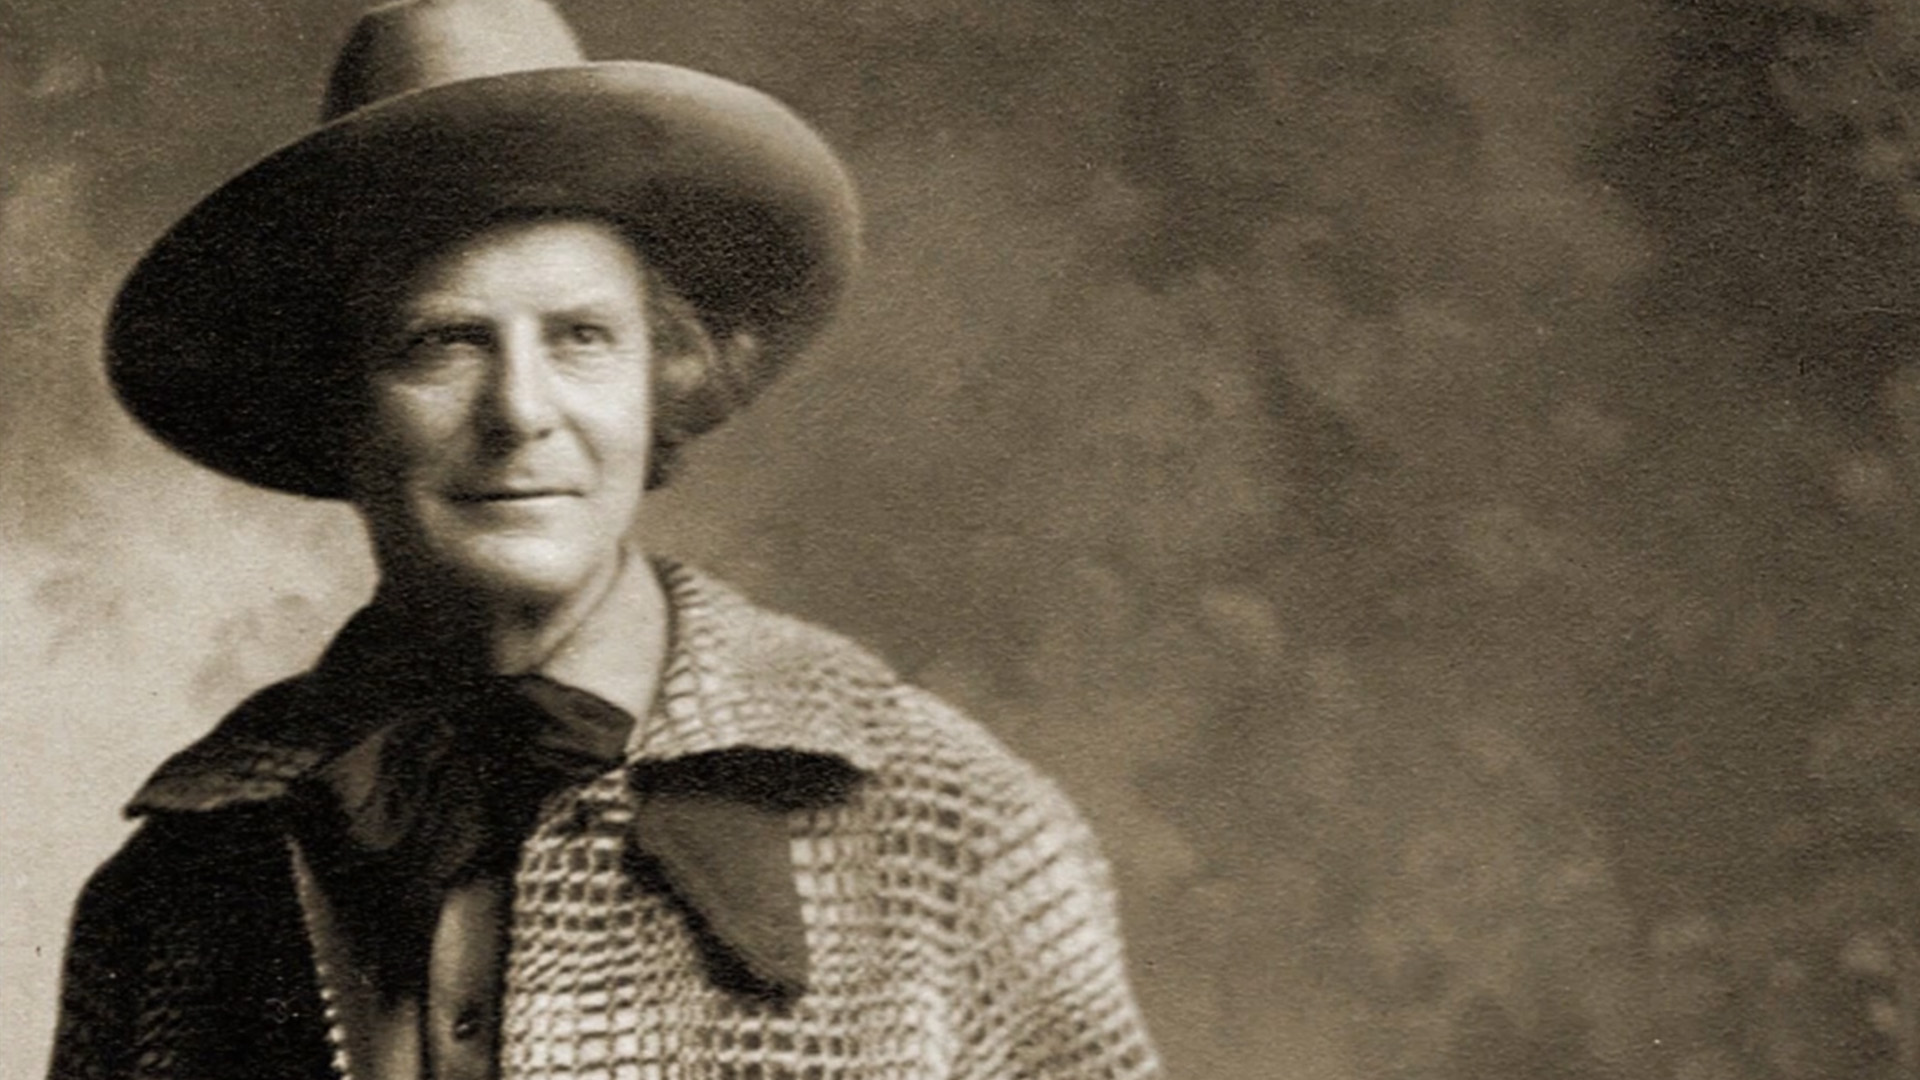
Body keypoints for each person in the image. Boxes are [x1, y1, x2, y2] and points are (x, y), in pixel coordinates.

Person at [48, 1, 1162, 1078]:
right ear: (338, 402)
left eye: (580, 336)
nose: (521, 411)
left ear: (658, 377)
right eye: (442, 341)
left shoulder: (951, 830)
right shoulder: (180, 889)